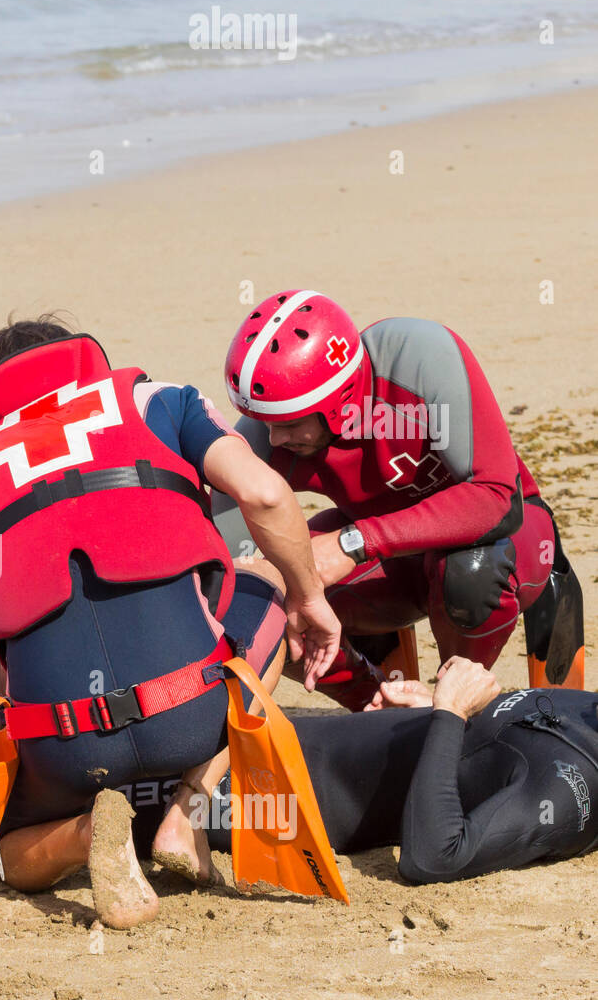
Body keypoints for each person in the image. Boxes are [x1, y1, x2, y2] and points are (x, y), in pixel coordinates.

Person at [0, 316, 340, 927]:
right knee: (270, 580)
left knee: (3, 855)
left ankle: (88, 832)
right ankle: (189, 810)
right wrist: (309, 596)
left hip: (64, 747)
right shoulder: (157, 401)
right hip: (190, 713)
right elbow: (266, 496)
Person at [0, 658, 598, 889]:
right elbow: (476, 753)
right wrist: (429, 705)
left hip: (257, 797)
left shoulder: (572, 785)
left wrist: (447, 718)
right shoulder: (584, 712)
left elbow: (437, 853)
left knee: (11, 810)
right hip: (258, 741)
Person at [216, 289, 560, 710]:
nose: (275, 439)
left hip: (506, 541)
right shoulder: (272, 433)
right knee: (260, 608)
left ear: (337, 401)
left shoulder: (416, 357)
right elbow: (226, 573)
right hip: (392, 562)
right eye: (263, 421)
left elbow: (497, 500)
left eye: (288, 424)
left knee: (469, 570)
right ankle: (380, 708)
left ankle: (459, 704)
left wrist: (353, 542)